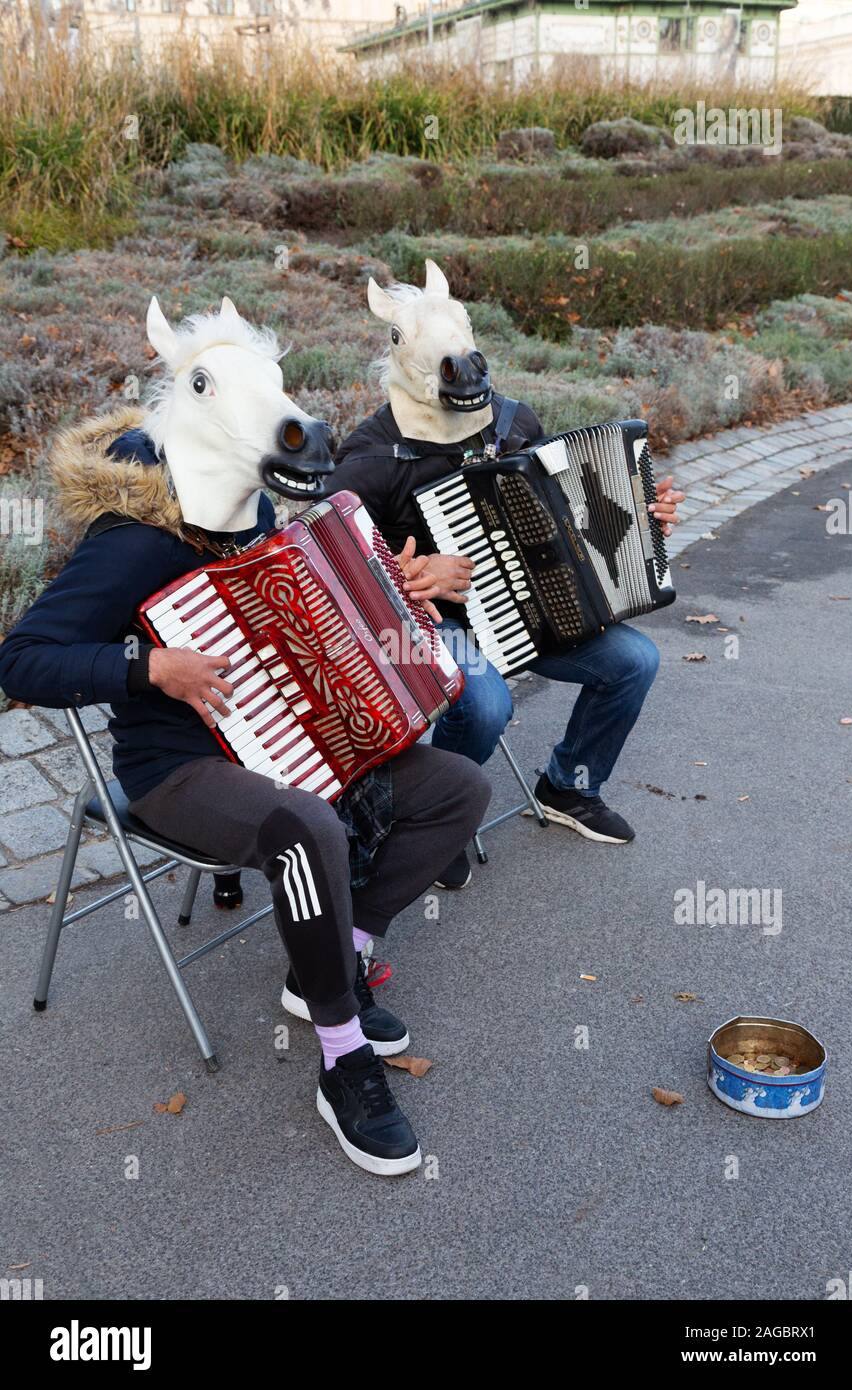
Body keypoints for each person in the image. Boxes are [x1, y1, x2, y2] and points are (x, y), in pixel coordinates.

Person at [0, 298, 490, 1176]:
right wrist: (149, 671)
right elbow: (23, 660)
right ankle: (345, 1061)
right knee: (309, 827)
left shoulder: (257, 521)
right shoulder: (134, 544)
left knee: (461, 791)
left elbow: (304, 625)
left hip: (279, 741)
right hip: (175, 767)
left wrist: (394, 613)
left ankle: (336, 960)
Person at [325, 260, 683, 888]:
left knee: (636, 661)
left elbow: (562, 513)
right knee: (485, 704)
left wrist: (640, 515)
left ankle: (567, 786)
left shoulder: (514, 422)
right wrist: (408, 573)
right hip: (430, 629)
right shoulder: (370, 459)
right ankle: (430, 817)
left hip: (530, 612)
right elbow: (330, 569)